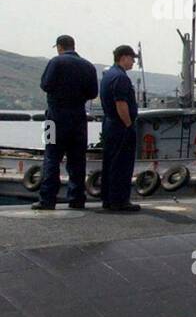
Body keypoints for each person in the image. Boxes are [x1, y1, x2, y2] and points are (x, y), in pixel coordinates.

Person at [33, 34, 98, 211]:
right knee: (77, 159)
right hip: (78, 118)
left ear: (60, 47)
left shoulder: (56, 62)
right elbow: (92, 93)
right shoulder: (88, 66)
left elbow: (45, 85)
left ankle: (47, 199)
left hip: (54, 117)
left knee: (51, 157)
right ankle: (77, 198)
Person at [98, 44, 141, 212]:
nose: (133, 63)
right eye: (132, 59)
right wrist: (129, 124)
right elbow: (121, 103)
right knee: (121, 164)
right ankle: (120, 200)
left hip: (110, 124)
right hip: (120, 125)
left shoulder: (109, 75)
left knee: (110, 162)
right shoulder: (121, 78)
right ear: (123, 57)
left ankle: (108, 199)